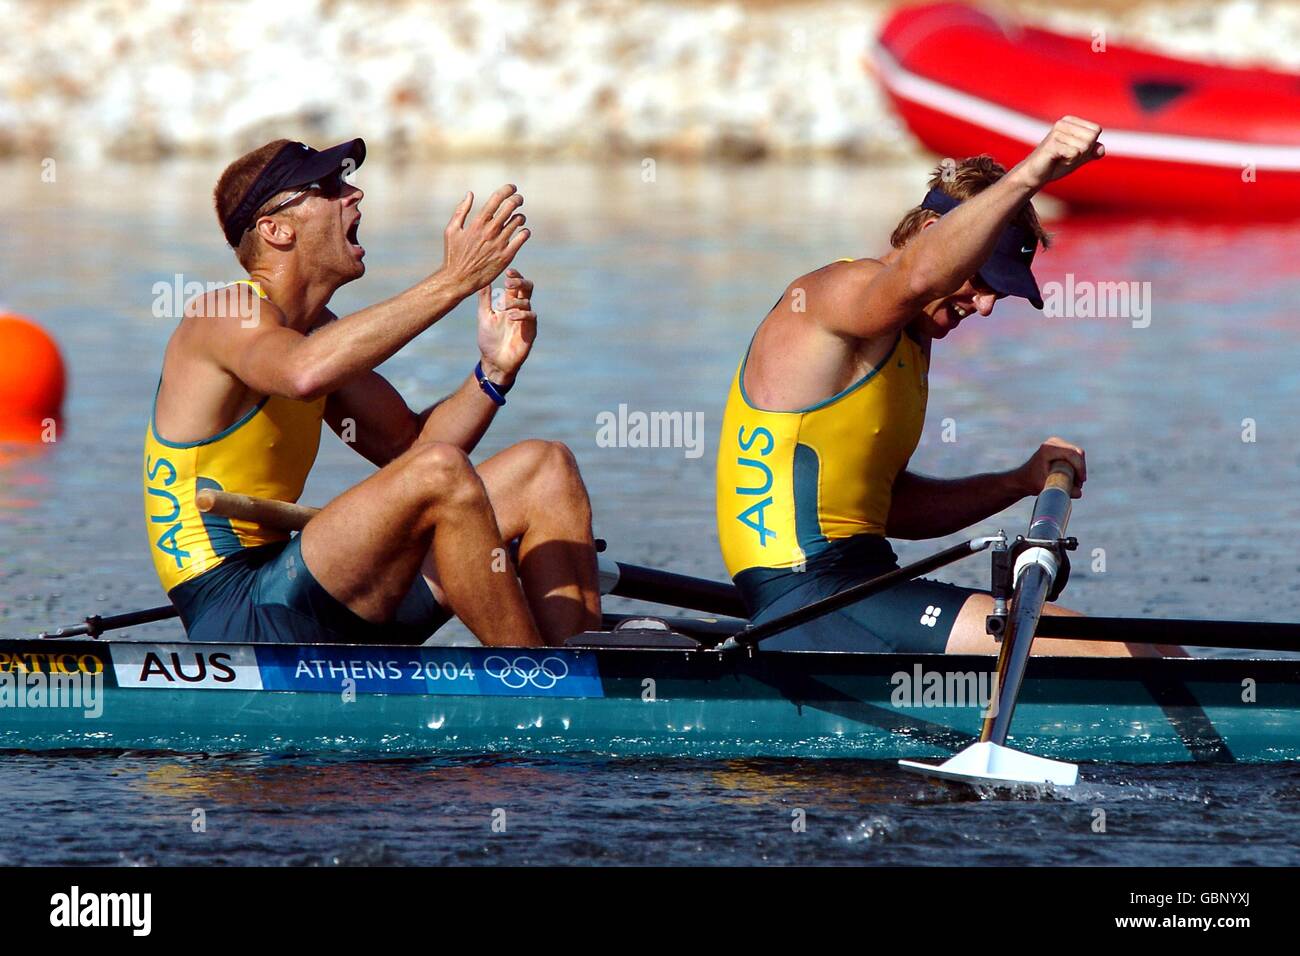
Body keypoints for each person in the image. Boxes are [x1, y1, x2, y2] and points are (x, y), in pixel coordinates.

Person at [716, 116, 1153, 655]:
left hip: (861, 587)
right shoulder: (835, 294)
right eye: (982, 280)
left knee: (1150, 650)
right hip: (807, 596)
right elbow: (917, 278)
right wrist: (1032, 173)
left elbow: (892, 509)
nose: (988, 306)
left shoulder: (906, 340)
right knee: (1113, 651)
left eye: (1001, 292)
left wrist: (1016, 481)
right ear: (930, 236)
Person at [143, 138, 600, 648]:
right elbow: (302, 374)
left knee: (545, 468)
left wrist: (492, 373)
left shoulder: (316, 333)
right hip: (240, 608)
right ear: (275, 228)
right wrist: (453, 280)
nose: (355, 193)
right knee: (440, 473)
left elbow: (411, 447)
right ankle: (533, 681)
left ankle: (584, 673)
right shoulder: (225, 315)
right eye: (330, 187)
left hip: (309, 592)